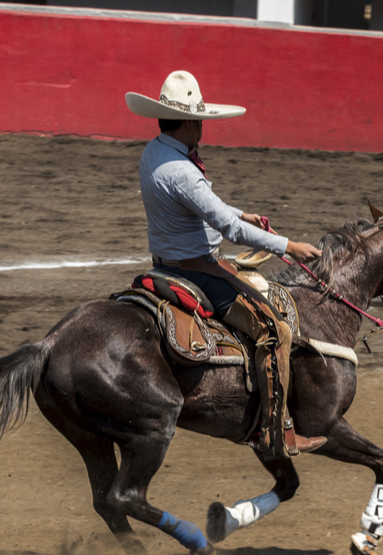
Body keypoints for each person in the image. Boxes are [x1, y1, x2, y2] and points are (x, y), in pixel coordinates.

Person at [125, 70, 326, 458]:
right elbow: (227, 227)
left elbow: (204, 206)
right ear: (188, 122)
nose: (203, 127)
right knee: (276, 330)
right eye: (199, 120)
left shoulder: (154, 153)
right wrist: (289, 247)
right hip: (197, 270)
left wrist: (241, 213)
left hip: (164, 265)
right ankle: (276, 432)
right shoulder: (184, 172)